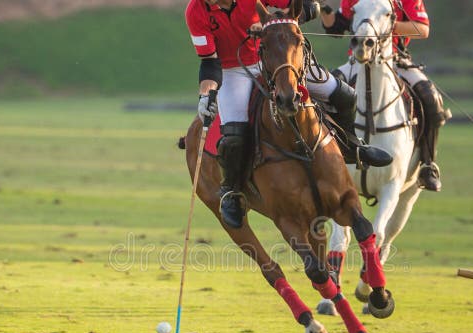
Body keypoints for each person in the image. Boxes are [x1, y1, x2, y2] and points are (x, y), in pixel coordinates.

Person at [185, 0, 392, 230]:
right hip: (234, 71)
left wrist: (276, 23)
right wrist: (206, 95)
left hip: (278, 57)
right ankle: (232, 192)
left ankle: (353, 147)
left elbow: (305, 6)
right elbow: (209, 62)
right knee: (234, 134)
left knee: (345, 96)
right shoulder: (195, 11)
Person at [321, 0, 448, 192]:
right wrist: (323, 7)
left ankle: (428, 164)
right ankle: (319, 157)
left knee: (431, 98)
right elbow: (335, 27)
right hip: (358, 61)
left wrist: (382, 23)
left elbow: (422, 29)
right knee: (324, 93)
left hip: (394, 60)